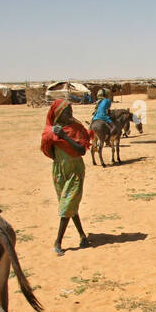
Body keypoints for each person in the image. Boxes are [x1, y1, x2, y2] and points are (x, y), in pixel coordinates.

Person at [39, 99, 92, 255]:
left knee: (67, 206)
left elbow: (81, 150)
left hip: (75, 170)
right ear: (58, 113)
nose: (70, 114)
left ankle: (58, 242)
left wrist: (65, 137)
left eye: (71, 111)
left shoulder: (77, 129)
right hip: (59, 170)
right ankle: (83, 236)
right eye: (66, 111)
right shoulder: (50, 131)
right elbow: (47, 148)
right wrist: (56, 136)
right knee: (70, 205)